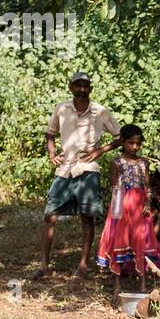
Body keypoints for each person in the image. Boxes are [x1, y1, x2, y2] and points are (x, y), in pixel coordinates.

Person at [37, 72, 121, 279]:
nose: (82, 89)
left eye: (85, 86)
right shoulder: (62, 109)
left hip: (88, 168)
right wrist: (52, 154)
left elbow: (120, 136)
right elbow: (50, 133)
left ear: (90, 89)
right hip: (64, 169)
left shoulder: (100, 111)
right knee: (50, 215)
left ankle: (83, 265)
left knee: (87, 216)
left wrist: (100, 151)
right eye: (78, 85)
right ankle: (44, 265)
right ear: (71, 87)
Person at [95, 125, 160, 294]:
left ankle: (143, 284)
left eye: (138, 143)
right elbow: (114, 187)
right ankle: (117, 284)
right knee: (120, 240)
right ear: (123, 142)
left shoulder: (143, 163)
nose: (135, 147)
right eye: (131, 143)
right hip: (122, 204)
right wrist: (116, 210)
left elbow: (147, 186)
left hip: (140, 206)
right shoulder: (116, 163)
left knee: (141, 241)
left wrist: (148, 201)